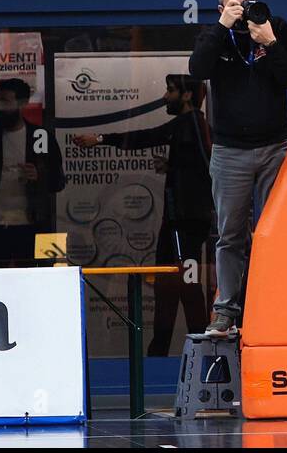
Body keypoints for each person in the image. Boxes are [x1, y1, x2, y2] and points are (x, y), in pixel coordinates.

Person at [189, 0, 287, 337]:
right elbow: (198, 70)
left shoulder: (276, 28)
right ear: (222, 7)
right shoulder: (214, 35)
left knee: (277, 232)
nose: (246, 10)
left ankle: (278, 302)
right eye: (237, 5)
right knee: (231, 235)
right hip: (230, 151)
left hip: (274, 146)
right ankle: (225, 311)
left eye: (249, 1)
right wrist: (223, 28)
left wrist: (269, 42)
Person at [74, 75, 212, 355]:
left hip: (183, 222)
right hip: (181, 221)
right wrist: (173, 167)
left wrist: (100, 139)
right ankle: (174, 348)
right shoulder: (194, 126)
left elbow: (149, 137)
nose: (164, 96)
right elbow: (199, 164)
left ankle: (190, 347)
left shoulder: (191, 122)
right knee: (175, 284)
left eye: (170, 91)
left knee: (183, 284)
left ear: (187, 96)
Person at [0, 79, 66, 267]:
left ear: (23, 103)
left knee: (37, 279)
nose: (0, 107)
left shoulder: (39, 136)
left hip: (34, 225)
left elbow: (58, 181)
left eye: (7, 101)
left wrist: (39, 176)